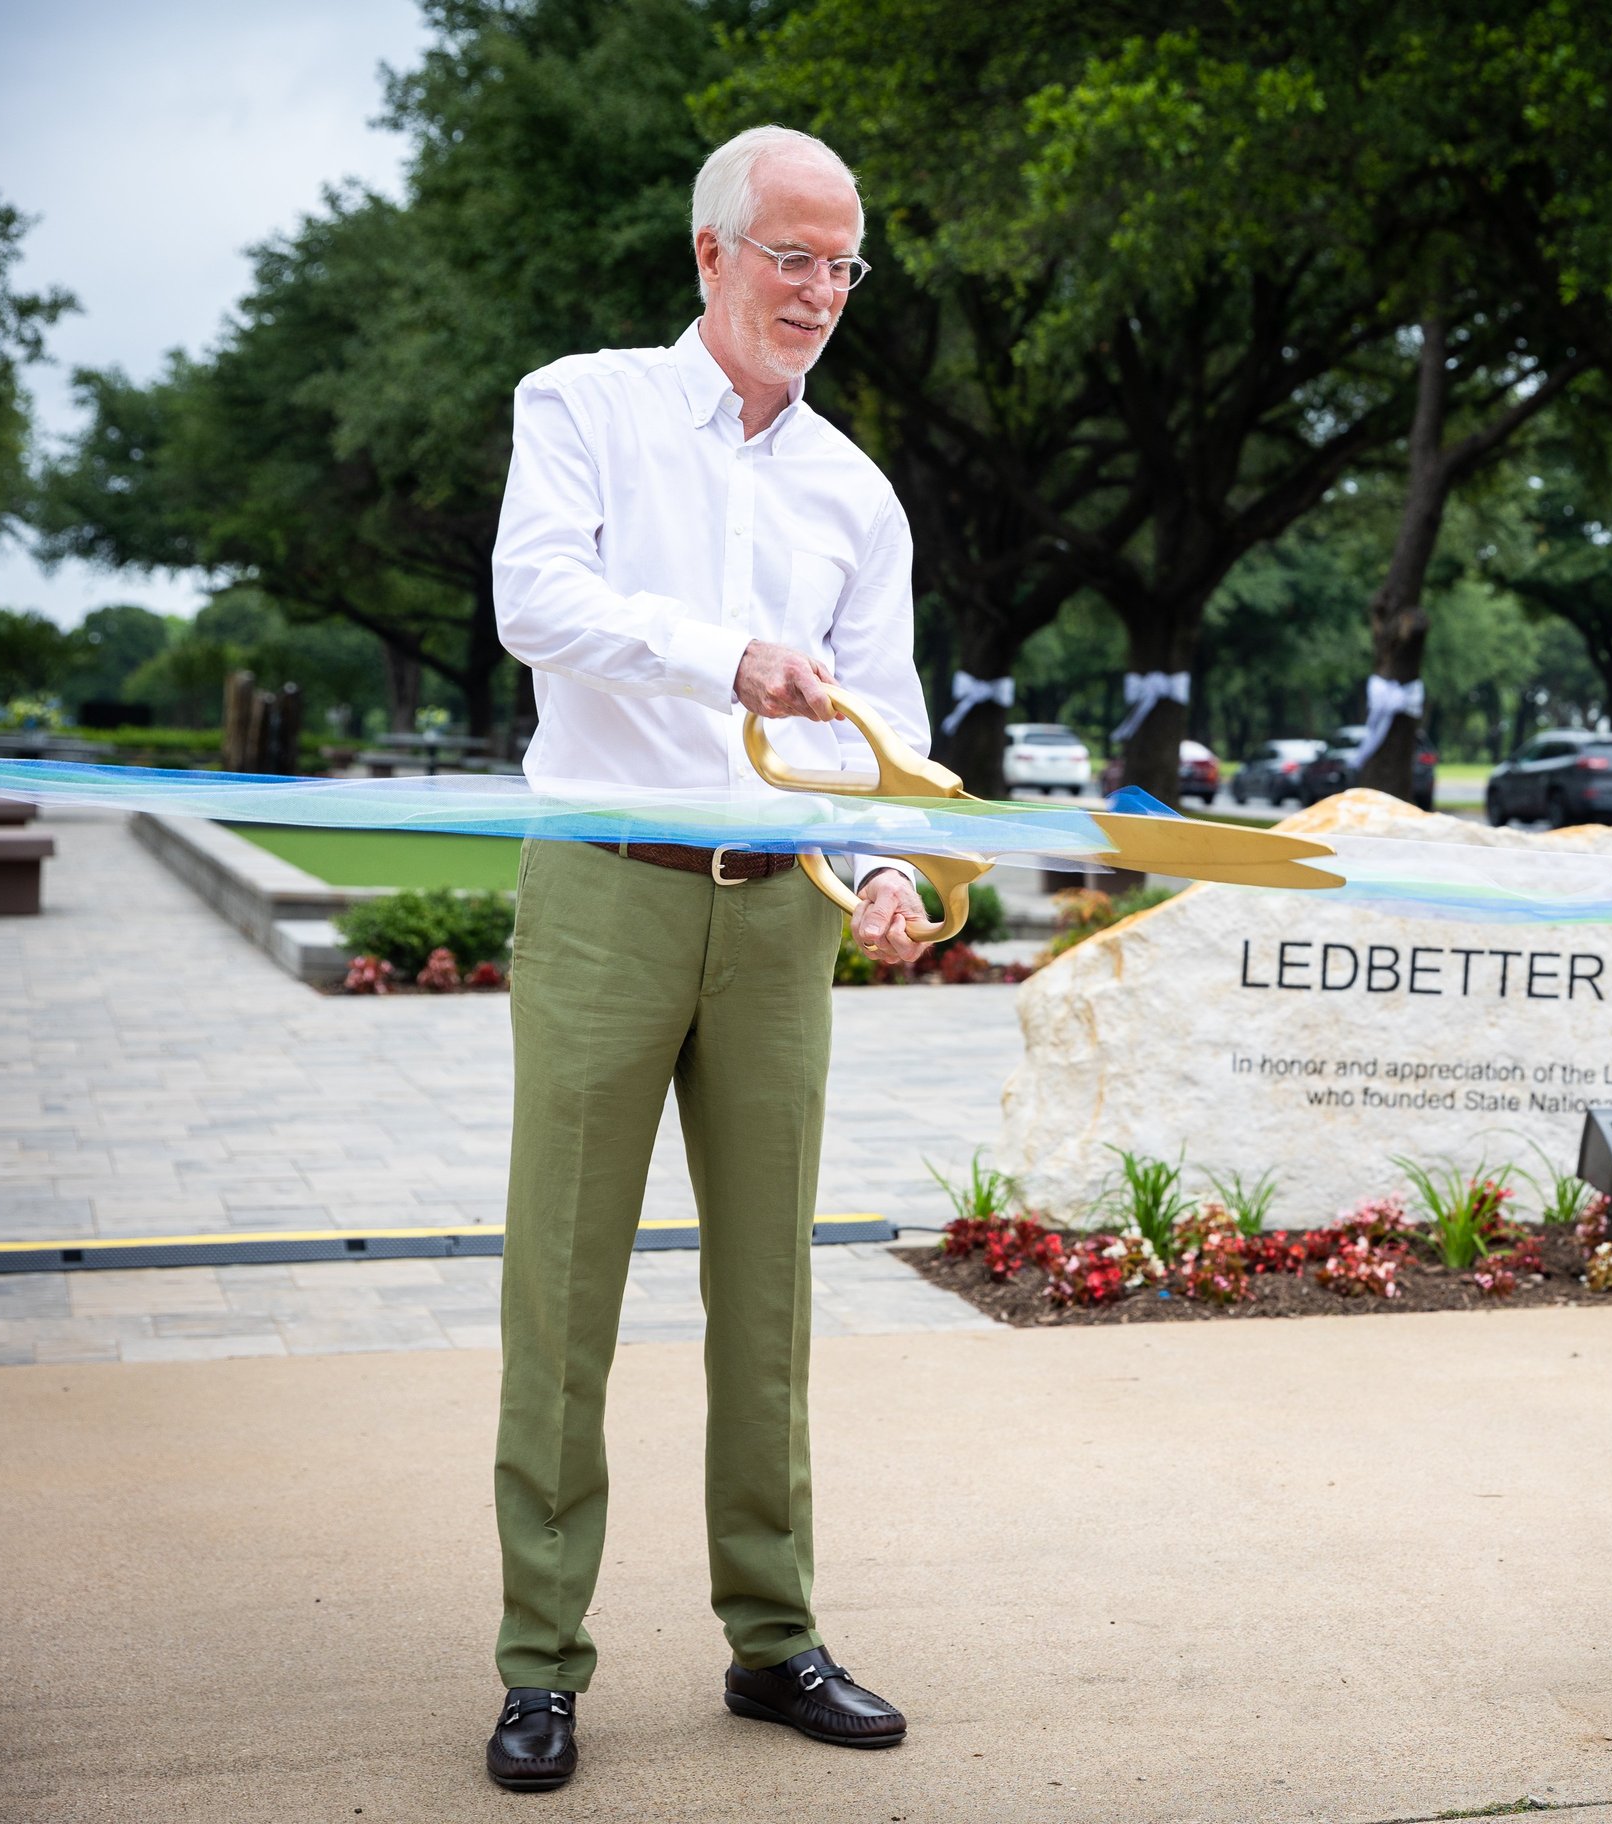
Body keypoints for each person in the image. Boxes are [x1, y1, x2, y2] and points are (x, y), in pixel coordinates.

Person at [479, 124, 934, 1793]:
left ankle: (773, 1638)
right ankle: (540, 1664)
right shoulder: (582, 403)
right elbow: (539, 599)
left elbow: (881, 726)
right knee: (566, 1290)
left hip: (780, 908)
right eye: (791, 256)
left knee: (769, 1294)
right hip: (605, 881)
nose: (819, 293)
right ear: (709, 256)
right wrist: (719, 660)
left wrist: (882, 873)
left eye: (843, 266)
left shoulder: (855, 489)